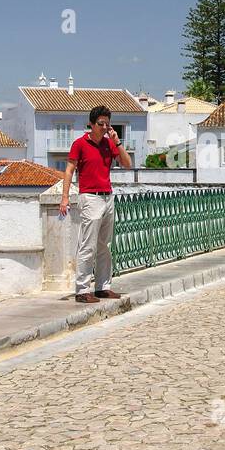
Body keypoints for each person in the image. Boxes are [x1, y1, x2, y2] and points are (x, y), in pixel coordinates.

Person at [59, 106, 133, 303]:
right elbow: (69, 170)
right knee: (87, 245)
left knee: (105, 246)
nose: (104, 127)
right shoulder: (79, 144)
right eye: (100, 124)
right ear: (91, 124)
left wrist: (117, 142)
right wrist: (65, 197)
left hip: (107, 197)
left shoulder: (109, 144)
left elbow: (127, 164)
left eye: (107, 124)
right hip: (90, 197)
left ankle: (102, 287)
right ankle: (82, 290)